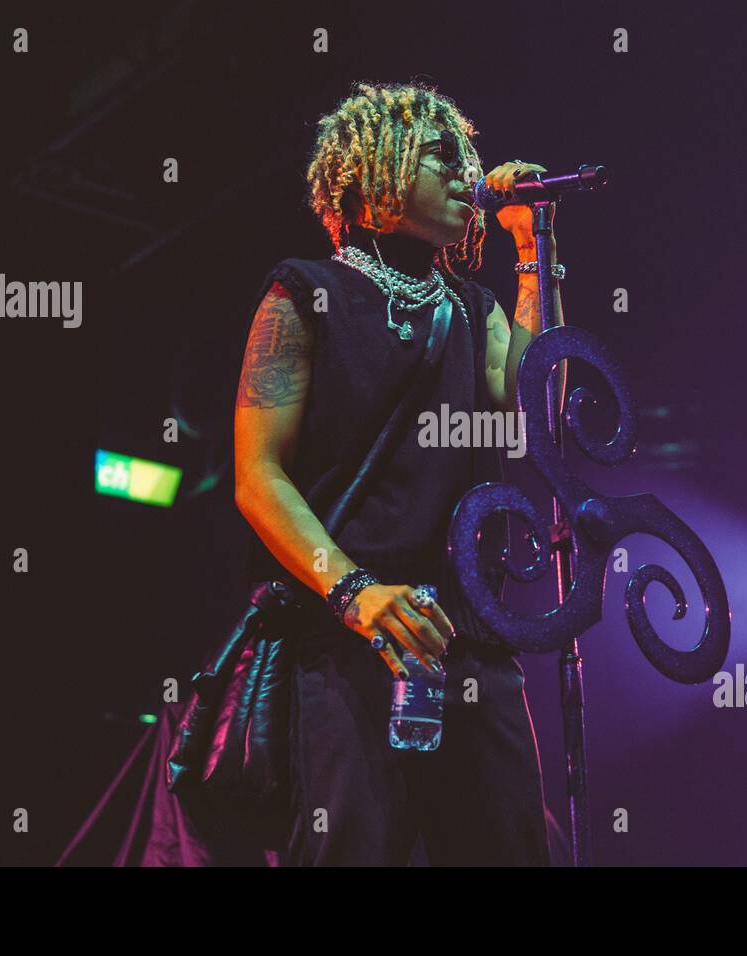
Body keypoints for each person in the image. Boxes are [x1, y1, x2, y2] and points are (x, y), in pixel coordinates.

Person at [233, 81, 564, 865]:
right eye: (438, 156)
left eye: (468, 160)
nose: (464, 174)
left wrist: (534, 247)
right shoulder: (304, 294)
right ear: (368, 179)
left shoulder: (473, 306)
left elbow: (535, 407)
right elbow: (257, 475)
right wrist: (353, 590)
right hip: (351, 642)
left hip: (471, 639)